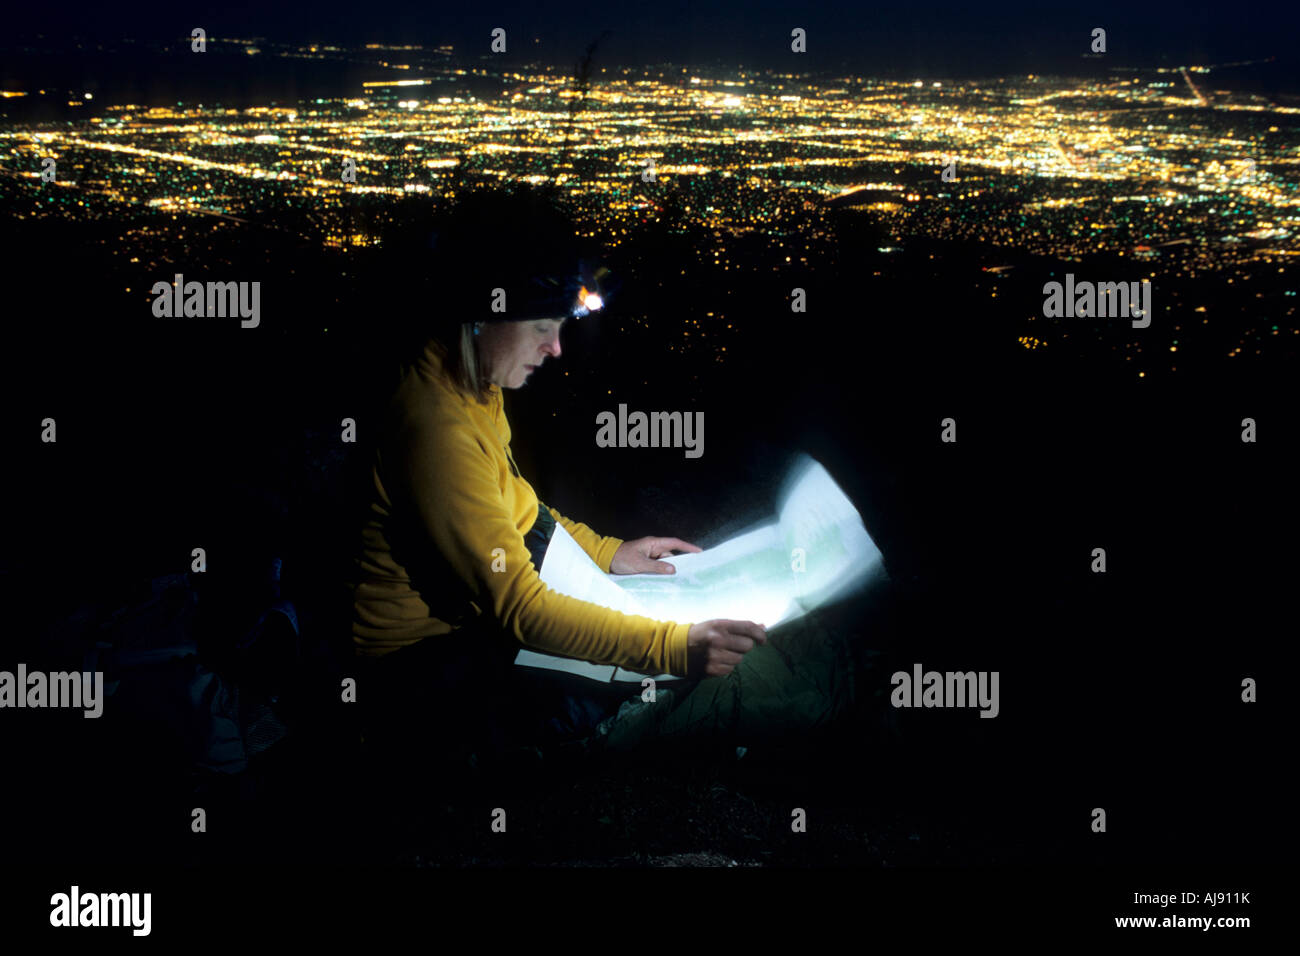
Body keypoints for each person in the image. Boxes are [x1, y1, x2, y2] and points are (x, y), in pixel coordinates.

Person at [348, 188, 770, 771]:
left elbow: (519, 508)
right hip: (419, 668)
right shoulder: (436, 428)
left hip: (464, 634)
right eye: (542, 326)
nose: (555, 347)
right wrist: (673, 648)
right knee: (636, 694)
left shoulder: (470, 386)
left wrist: (609, 552)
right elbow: (521, 608)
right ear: (482, 315)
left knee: (647, 668)